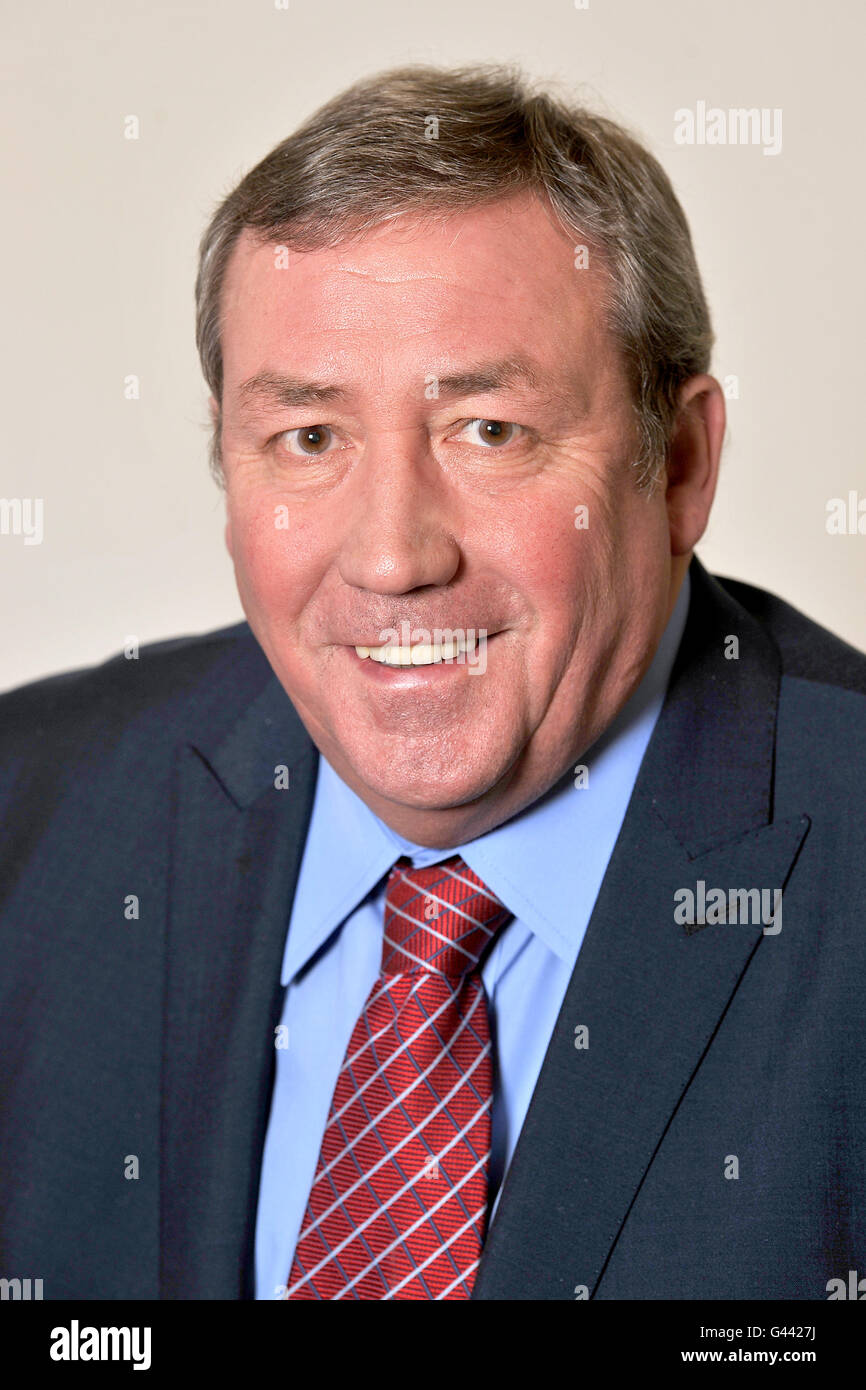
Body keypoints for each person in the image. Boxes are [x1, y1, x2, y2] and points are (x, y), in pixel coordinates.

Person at [1, 63, 863, 1302]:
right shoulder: (29, 816)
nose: (394, 556)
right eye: (309, 438)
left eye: (489, 432)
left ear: (676, 465)